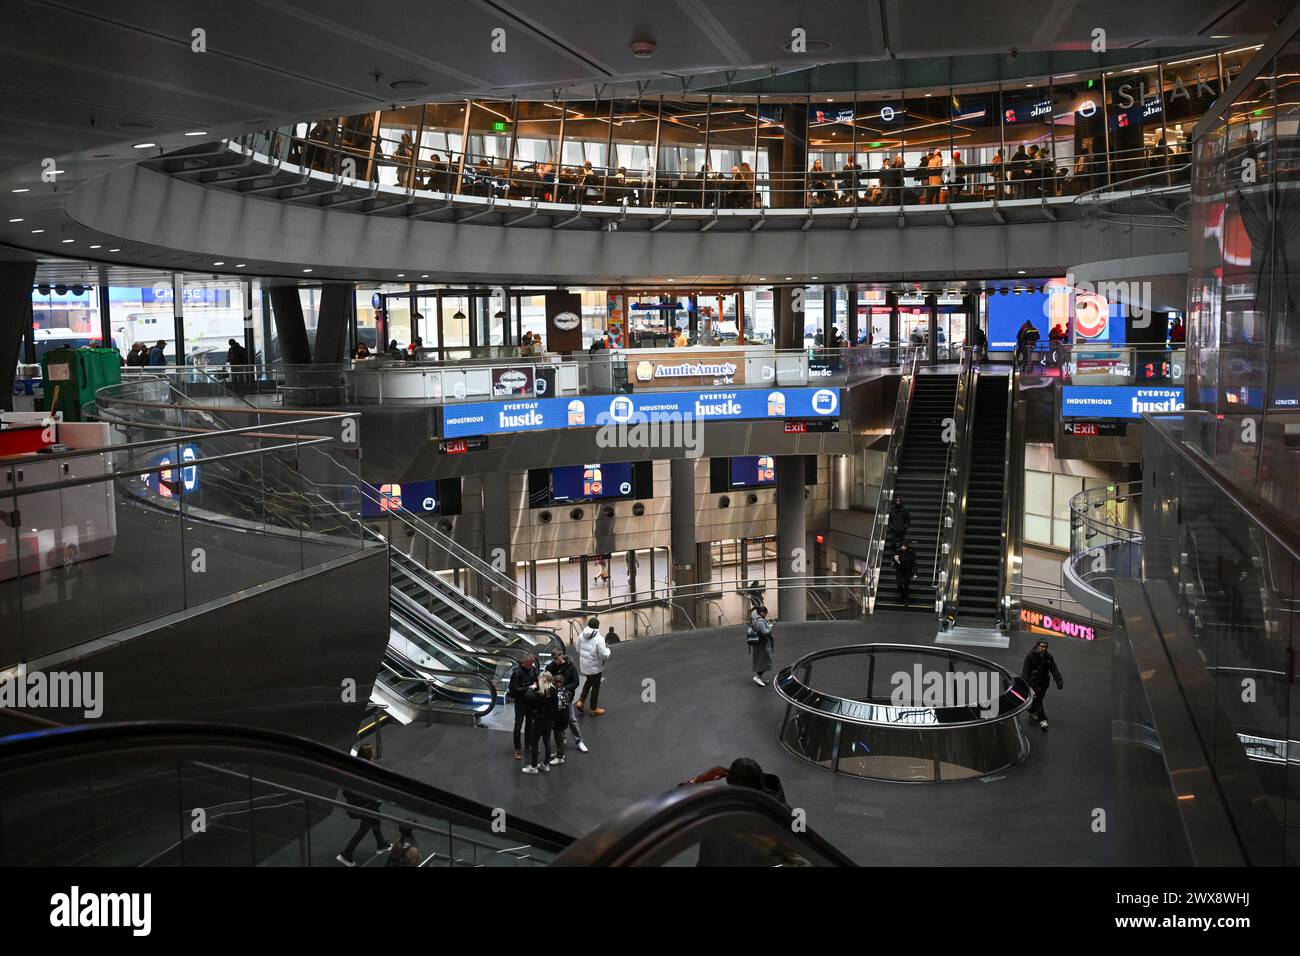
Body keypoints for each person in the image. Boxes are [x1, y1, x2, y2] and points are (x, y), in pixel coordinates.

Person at [693, 758, 790, 867]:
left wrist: (699, 779)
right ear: (761, 781)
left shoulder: (714, 811)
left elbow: (680, 799)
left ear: (730, 783)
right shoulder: (782, 813)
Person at [336, 744, 391, 866]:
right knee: (365, 827)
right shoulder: (367, 769)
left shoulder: (353, 767)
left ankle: (381, 844)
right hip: (364, 806)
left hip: (357, 805)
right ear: (368, 755)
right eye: (372, 752)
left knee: (375, 820)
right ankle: (346, 854)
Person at [545, 649, 589, 753]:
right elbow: (546, 679)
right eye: (553, 659)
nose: (555, 660)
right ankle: (562, 739)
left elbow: (576, 682)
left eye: (556, 658)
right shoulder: (550, 667)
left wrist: (565, 688)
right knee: (558, 721)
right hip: (554, 699)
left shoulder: (570, 667)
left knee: (571, 719)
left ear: (562, 656)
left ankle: (579, 741)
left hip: (566, 698)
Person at [1022, 639, 1064, 731]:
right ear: (1037, 646)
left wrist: (1059, 681)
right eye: (1042, 646)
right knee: (1038, 700)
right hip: (1033, 683)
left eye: (1045, 647)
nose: (1044, 648)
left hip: (1044, 683)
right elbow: (1025, 671)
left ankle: (1032, 711)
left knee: (1038, 699)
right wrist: (1026, 684)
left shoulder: (1049, 657)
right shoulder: (1030, 656)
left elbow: (1054, 670)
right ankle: (1043, 719)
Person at [521, 671, 556, 773]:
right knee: (547, 741)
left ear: (544, 680)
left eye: (540, 679)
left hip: (539, 721)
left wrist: (531, 688)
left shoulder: (540, 694)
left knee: (534, 743)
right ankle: (546, 764)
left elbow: (528, 697)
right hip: (550, 721)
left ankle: (533, 766)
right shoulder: (554, 690)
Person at [575, 617, 610, 715]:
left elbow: (577, 648)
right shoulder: (599, 638)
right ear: (597, 627)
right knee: (595, 687)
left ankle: (581, 701)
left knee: (589, 682)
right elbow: (604, 655)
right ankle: (593, 708)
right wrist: (608, 650)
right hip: (595, 668)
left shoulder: (582, 635)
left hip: (584, 666)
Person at [507, 654, 538, 760]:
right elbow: (514, 690)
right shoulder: (517, 673)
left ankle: (528, 745)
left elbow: (536, 684)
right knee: (518, 726)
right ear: (524, 662)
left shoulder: (533, 670)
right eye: (530, 663)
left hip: (530, 701)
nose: (532, 665)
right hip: (520, 702)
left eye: (532, 663)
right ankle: (517, 749)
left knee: (530, 724)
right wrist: (528, 688)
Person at [747, 605, 774, 686]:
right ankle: (757, 677)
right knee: (764, 661)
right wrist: (770, 627)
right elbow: (764, 632)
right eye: (765, 613)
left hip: (759, 644)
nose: (766, 614)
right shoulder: (760, 621)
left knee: (762, 661)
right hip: (763, 644)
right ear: (762, 612)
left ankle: (759, 677)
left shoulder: (756, 619)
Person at [893, 540, 916, 606]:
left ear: (907, 546)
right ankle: (903, 595)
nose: (903, 547)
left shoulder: (911, 552)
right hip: (899, 570)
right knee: (899, 584)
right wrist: (895, 560)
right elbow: (893, 561)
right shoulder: (897, 551)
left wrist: (915, 573)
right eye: (902, 546)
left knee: (906, 585)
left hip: (908, 571)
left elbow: (914, 563)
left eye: (904, 546)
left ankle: (906, 600)